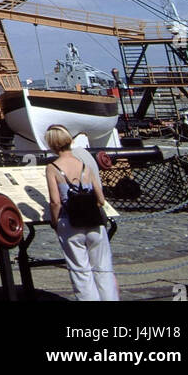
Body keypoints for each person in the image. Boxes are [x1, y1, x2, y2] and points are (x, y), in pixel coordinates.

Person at [44, 125, 119, 300]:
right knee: (103, 269)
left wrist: (55, 222)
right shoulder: (85, 166)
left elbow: (55, 201)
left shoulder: (52, 168)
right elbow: (100, 199)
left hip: (71, 223)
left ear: (52, 144)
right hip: (93, 221)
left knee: (80, 272)